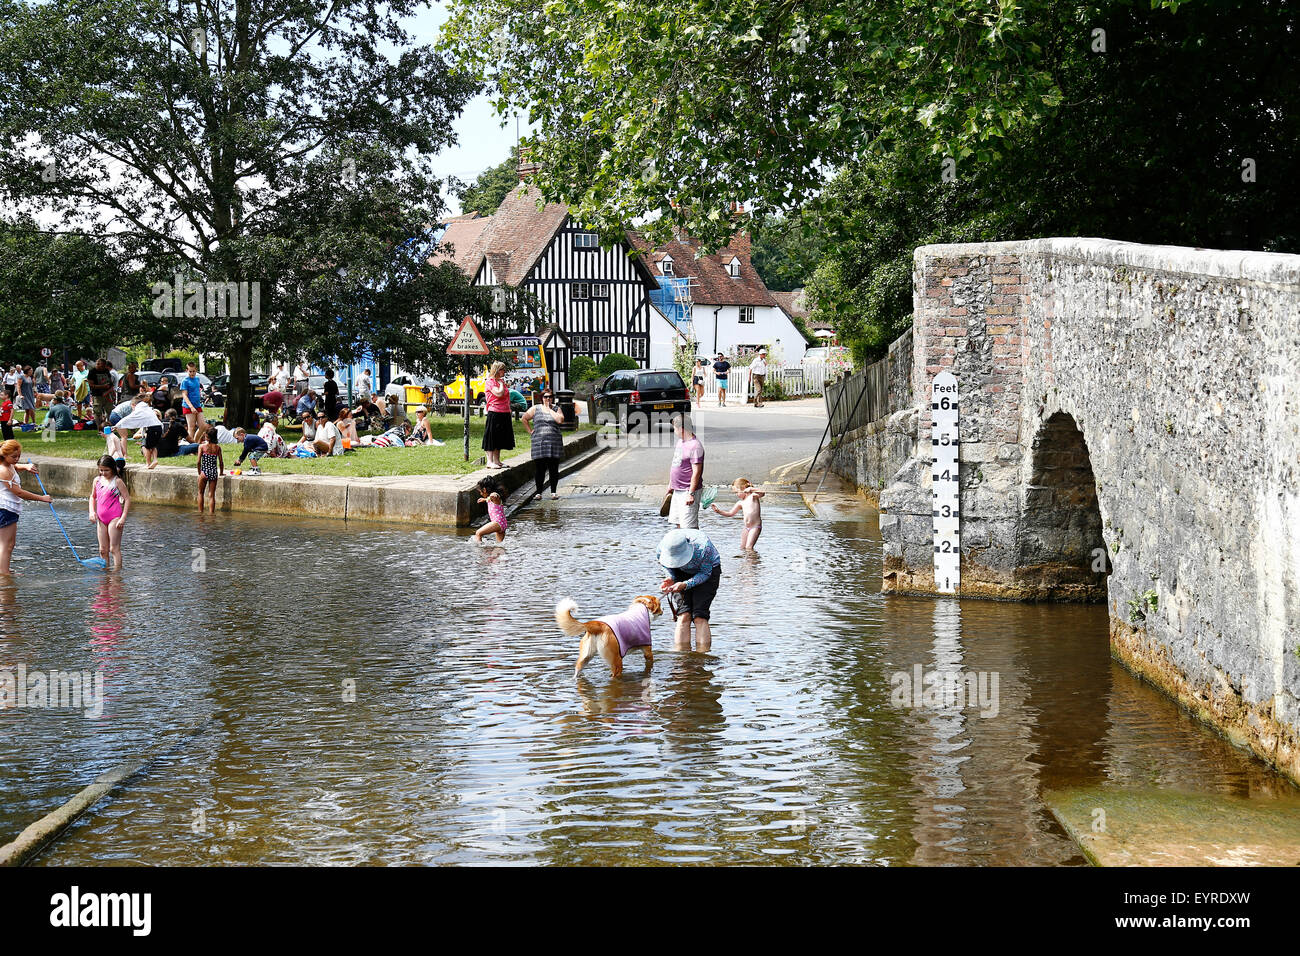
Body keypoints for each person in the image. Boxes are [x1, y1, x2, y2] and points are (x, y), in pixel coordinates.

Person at [658, 527, 721, 652]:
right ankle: (682, 658)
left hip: (707, 572)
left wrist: (686, 584)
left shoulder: (704, 547)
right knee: (684, 615)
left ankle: (702, 657)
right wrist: (671, 578)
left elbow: (705, 574)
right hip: (680, 573)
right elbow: (665, 565)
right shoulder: (661, 548)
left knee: (699, 616)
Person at [0, 441, 52, 575]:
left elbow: (15, 467)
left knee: (10, 544)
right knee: (5, 544)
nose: (16, 459)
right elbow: (19, 492)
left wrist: (26, 466)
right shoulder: (4, 470)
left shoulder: (9, 465)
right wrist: (42, 498)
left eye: (19, 456)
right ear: (4, 455)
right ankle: (3, 573)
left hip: (10, 509)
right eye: (13, 456)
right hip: (5, 509)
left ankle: (5, 570)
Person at [522, 388, 565, 499]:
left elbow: (560, 420)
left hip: (554, 443)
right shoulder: (535, 408)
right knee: (540, 468)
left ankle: (553, 492)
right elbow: (524, 418)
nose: (548, 399)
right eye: (545, 397)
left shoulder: (556, 409)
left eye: (550, 397)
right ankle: (538, 492)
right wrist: (530, 431)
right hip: (539, 443)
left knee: (553, 468)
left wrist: (549, 409)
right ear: (542, 398)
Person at [89, 455, 129, 569]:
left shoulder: (117, 482)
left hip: (114, 518)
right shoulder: (97, 481)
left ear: (113, 468)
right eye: (101, 470)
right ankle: (105, 574)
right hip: (101, 519)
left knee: (113, 548)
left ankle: (116, 576)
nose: (103, 472)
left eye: (106, 470)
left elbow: (127, 499)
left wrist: (123, 518)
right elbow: (92, 497)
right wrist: (92, 512)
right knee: (102, 550)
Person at [666, 413, 704, 529]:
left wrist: (691, 494)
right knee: (678, 524)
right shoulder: (680, 442)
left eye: (675, 429)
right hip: (677, 490)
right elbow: (676, 463)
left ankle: (696, 547)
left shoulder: (695, 446)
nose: (674, 431)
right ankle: (682, 547)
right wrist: (670, 485)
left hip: (687, 491)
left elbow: (697, 472)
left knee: (689, 528)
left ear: (681, 429)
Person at [711, 477, 765, 549]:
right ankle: (744, 560)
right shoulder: (740, 503)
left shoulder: (753, 496)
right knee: (742, 547)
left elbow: (763, 493)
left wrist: (752, 489)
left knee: (749, 547)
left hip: (755, 527)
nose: (736, 494)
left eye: (737, 492)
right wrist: (719, 511)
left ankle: (753, 560)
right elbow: (730, 513)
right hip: (746, 527)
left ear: (743, 488)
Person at [481, 361, 514, 469]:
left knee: (500, 437)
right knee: (492, 436)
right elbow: (498, 394)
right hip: (494, 412)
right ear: (497, 370)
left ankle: (497, 461)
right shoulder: (490, 382)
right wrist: (500, 384)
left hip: (504, 412)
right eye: (502, 369)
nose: (504, 371)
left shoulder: (501, 382)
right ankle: (489, 461)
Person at [473, 475, 507, 544]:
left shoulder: (494, 496)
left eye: (480, 492)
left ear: (484, 490)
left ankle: (479, 550)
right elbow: (490, 499)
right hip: (502, 524)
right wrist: (485, 499)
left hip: (497, 523)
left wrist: (493, 495)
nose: (480, 494)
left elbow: (494, 496)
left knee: (478, 533)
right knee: (499, 545)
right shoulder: (490, 498)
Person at [196, 426, 223, 512]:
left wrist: (200, 472)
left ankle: (201, 513)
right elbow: (221, 462)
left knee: (200, 493)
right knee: (211, 495)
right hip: (213, 472)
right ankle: (211, 514)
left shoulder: (202, 447)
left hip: (204, 472)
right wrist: (221, 472)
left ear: (207, 437)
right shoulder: (217, 448)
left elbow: (198, 462)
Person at [178, 363, 205, 440]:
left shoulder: (197, 379)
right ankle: (191, 446)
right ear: (187, 371)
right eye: (190, 371)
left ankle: (195, 443)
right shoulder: (185, 381)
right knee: (191, 427)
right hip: (188, 406)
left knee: (202, 426)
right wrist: (191, 407)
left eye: (193, 371)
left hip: (197, 405)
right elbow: (184, 395)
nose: (192, 373)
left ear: (196, 370)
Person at [87, 358, 115, 427]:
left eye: (104, 366)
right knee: (97, 412)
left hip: (108, 395)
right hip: (97, 395)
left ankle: (108, 426)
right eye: (101, 366)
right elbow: (91, 385)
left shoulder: (106, 371)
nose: (103, 368)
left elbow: (111, 384)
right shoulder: (92, 372)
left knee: (109, 411)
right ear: (97, 364)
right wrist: (102, 386)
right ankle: (99, 427)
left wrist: (108, 391)